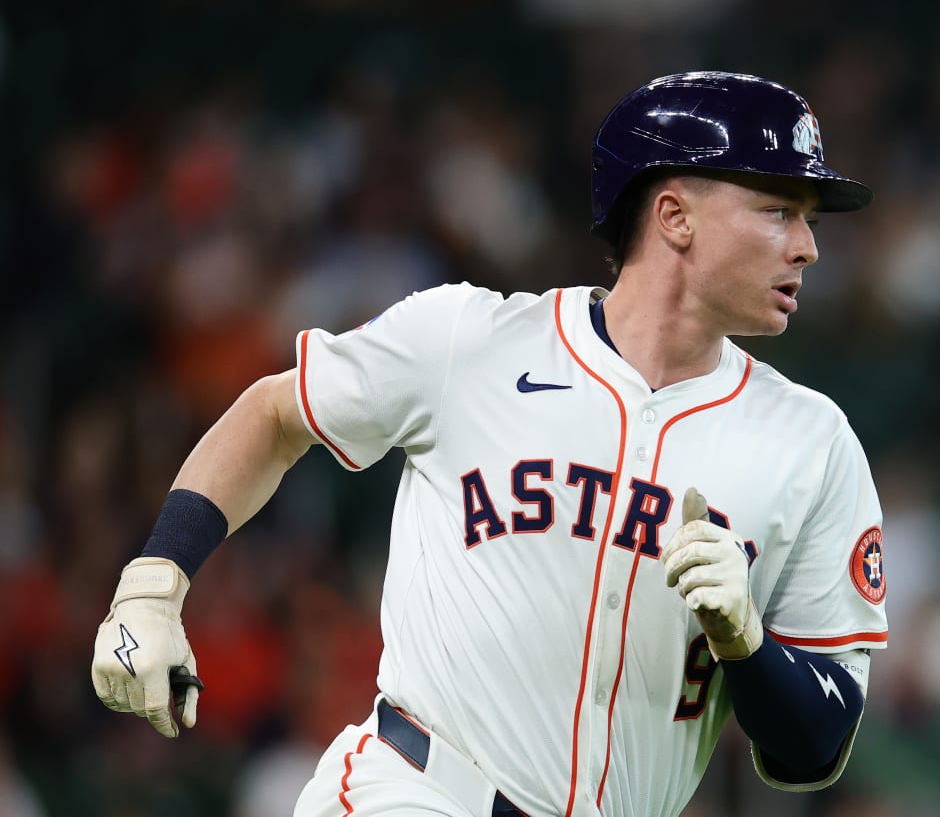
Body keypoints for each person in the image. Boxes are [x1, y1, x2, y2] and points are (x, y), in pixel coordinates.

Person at [89, 71, 890, 817]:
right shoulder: (469, 341)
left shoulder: (811, 443)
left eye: (808, 220)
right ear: (674, 216)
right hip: (419, 793)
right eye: (780, 209)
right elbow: (274, 414)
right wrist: (154, 585)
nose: (807, 247)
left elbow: (815, 753)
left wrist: (747, 642)